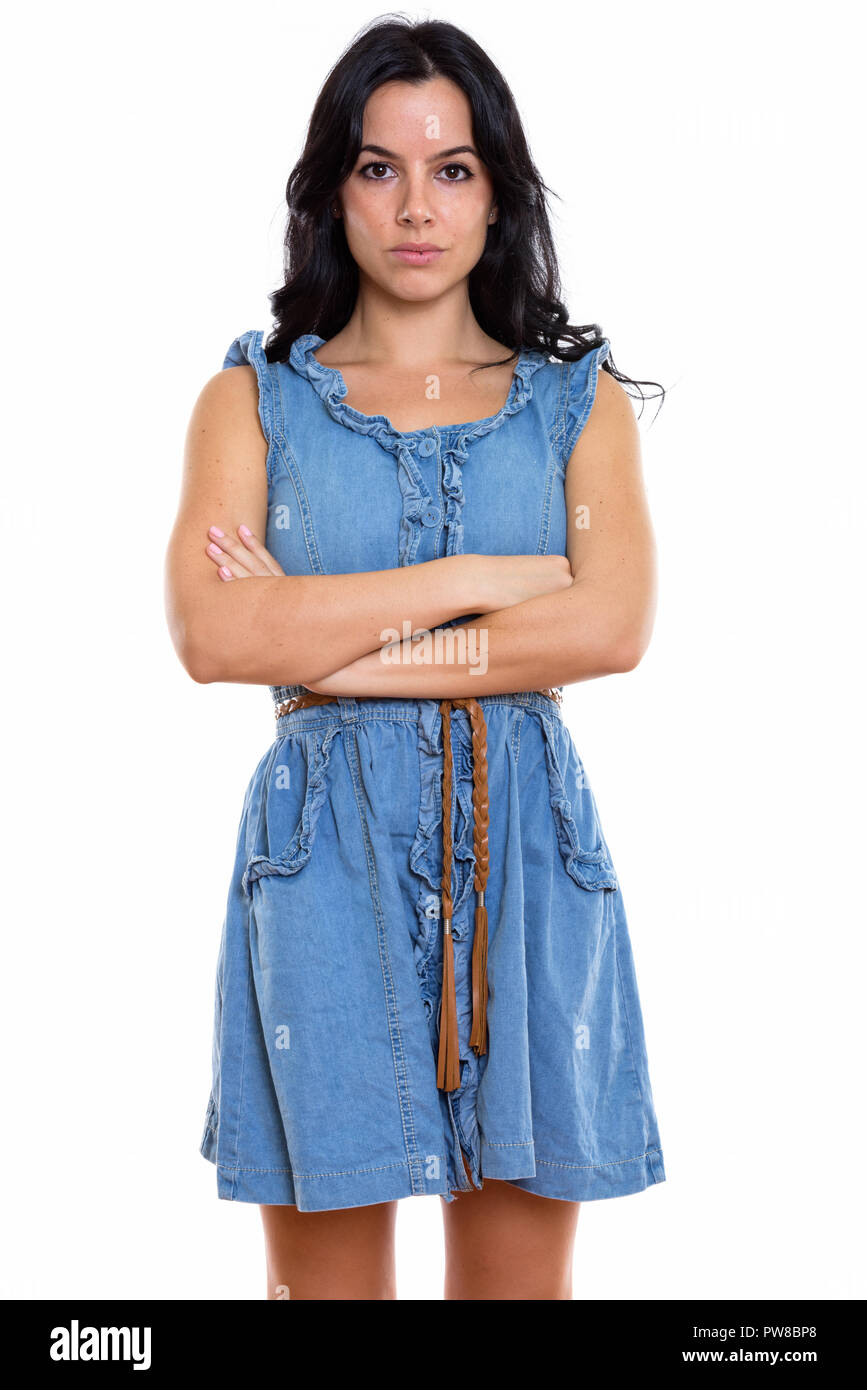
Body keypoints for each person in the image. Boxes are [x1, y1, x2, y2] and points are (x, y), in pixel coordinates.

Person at [165, 15, 666, 1301]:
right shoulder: (252, 399)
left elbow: (609, 624)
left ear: (498, 193)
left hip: (527, 863)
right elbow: (219, 635)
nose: (415, 206)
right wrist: (474, 582)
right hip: (321, 861)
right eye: (379, 167)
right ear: (335, 191)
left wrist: (329, 653)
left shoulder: (574, 400)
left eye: (452, 169)